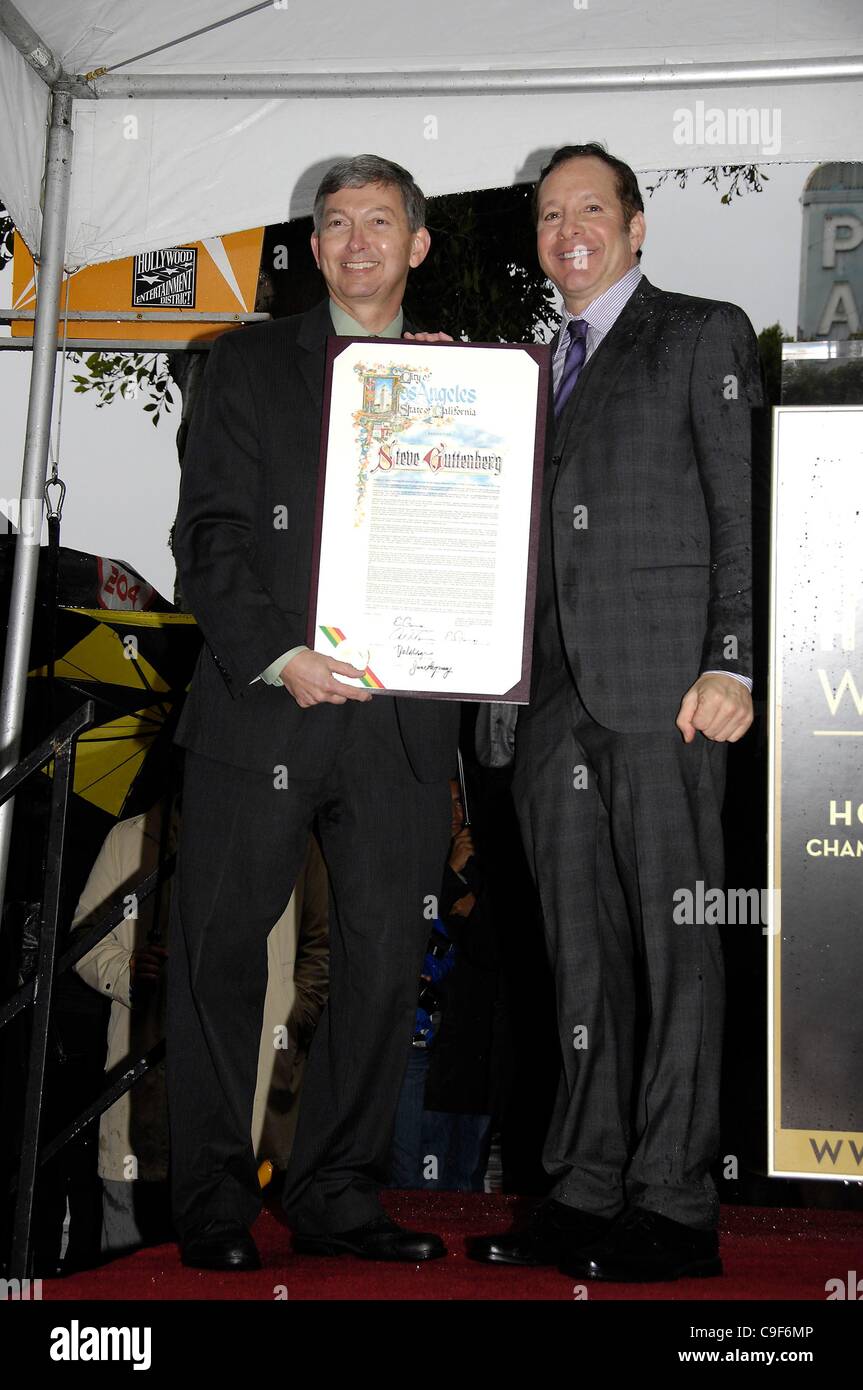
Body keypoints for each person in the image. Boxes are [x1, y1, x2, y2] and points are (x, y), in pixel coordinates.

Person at [472, 143, 763, 1282]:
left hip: (667, 694)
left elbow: (739, 505)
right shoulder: (527, 370)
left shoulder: (702, 333)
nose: (567, 229)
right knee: (576, 959)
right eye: (548, 214)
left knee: (677, 946)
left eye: (590, 208)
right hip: (548, 705)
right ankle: (584, 1187)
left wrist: (729, 658)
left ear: (636, 226)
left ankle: (677, 1205)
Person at [169, 154, 460, 1271]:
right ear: (315, 245)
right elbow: (211, 541)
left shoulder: (459, 380)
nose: (355, 242)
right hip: (263, 708)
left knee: (385, 964)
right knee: (219, 956)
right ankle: (208, 1202)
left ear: (416, 245)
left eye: (378, 223)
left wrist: (464, 407)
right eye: (334, 223)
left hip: (398, 721)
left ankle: (336, 1187)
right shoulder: (241, 364)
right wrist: (279, 655)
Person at [72, 803, 329, 1256]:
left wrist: (292, 1022)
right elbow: (85, 937)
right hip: (145, 1086)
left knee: (244, 1257)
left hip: (257, 1093)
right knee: (132, 1259)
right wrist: (128, 970)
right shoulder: (131, 838)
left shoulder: (293, 839)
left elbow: (322, 944)